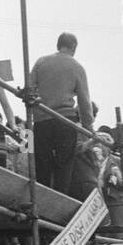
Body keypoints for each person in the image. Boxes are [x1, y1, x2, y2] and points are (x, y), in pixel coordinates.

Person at [28, 32, 93, 194]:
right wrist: (88, 127)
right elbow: (84, 101)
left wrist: (34, 114)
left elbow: (29, 90)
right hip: (66, 120)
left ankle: (41, 198)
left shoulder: (41, 62)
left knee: (42, 163)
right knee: (64, 166)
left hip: (42, 119)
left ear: (58, 44)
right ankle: (60, 198)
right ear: (73, 47)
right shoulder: (77, 67)